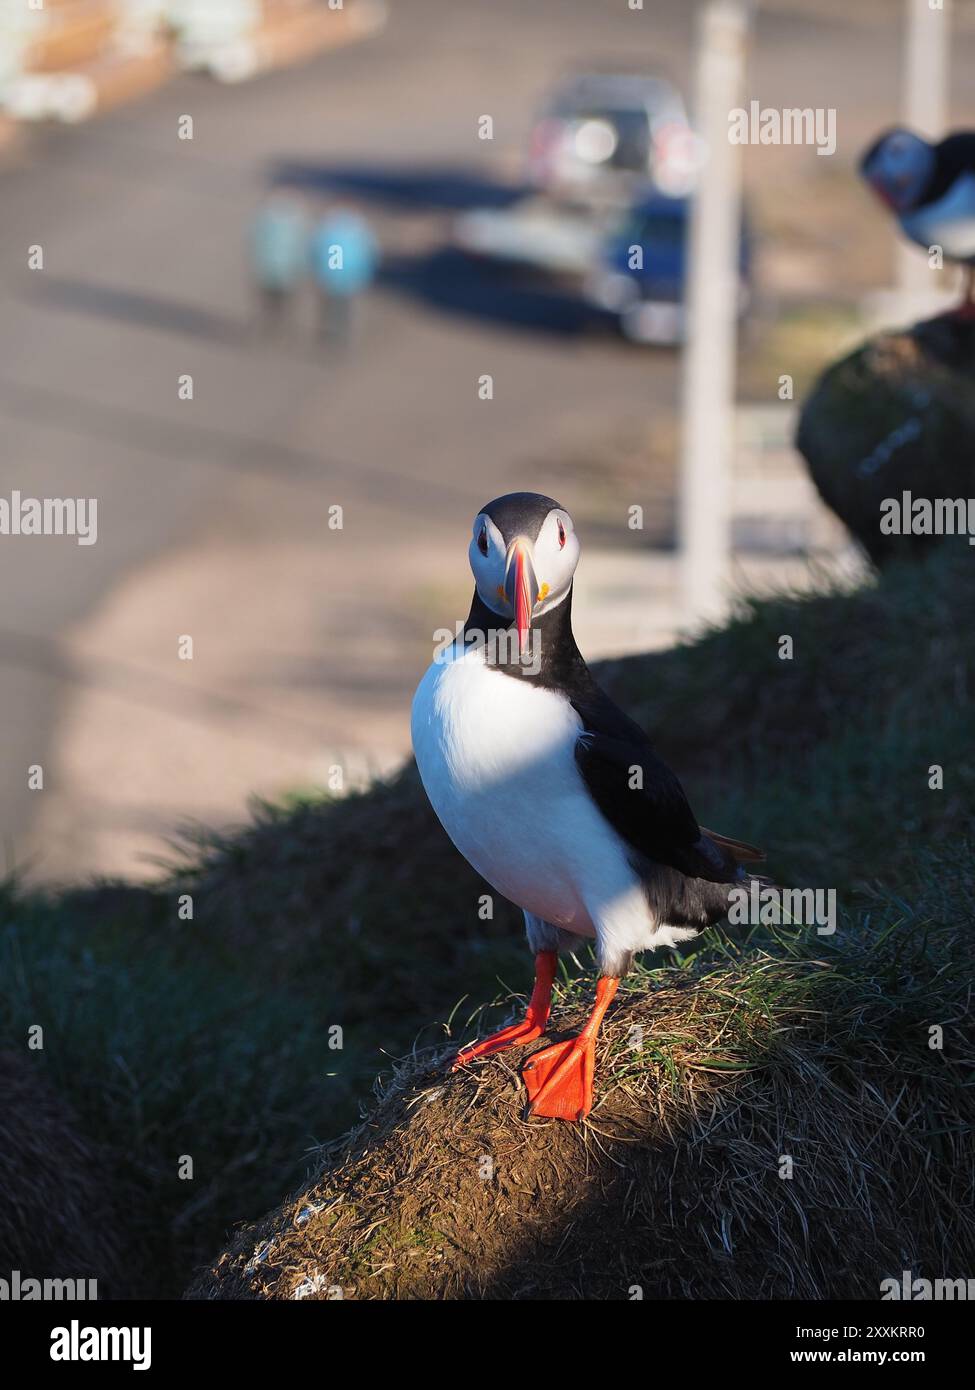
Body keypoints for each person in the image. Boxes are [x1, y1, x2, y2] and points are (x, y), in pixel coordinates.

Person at [309, 206, 378, 346]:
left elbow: (367, 255)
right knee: (335, 308)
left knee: (338, 308)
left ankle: (336, 336)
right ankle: (332, 335)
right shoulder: (353, 231)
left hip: (341, 277)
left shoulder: (353, 231)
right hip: (338, 277)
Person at [248, 192, 308, 333]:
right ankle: (275, 326)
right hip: (281, 269)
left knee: (274, 301)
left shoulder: (267, 223)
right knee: (278, 301)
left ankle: (273, 326)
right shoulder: (295, 224)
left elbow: (256, 243)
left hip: (276, 269)